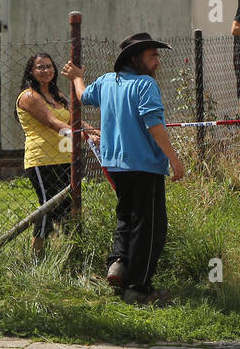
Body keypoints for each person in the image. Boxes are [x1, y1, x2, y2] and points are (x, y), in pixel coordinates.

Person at [63, 33, 186, 305]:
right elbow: (154, 126)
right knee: (151, 226)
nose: (157, 62)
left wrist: (76, 77)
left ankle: (118, 261)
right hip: (144, 165)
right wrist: (174, 160)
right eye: (152, 56)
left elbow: (83, 96)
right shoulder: (146, 85)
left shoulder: (108, 81)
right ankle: (139, 288)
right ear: (135, 58)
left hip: (115, 164)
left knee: (126, 217)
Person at [15, 52, 97, 260]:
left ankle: (74, 257)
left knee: (69, 208)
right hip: (42, 160)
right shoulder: (29, 96)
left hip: (64, 157)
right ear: (31, 72)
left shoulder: (58, 96)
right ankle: (37, 260)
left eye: (49, 66)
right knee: (47, 209)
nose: (46, 71)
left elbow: (74, 120)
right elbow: (53, 123)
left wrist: (96, 132)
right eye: (40, 67)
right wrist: (83, 136)